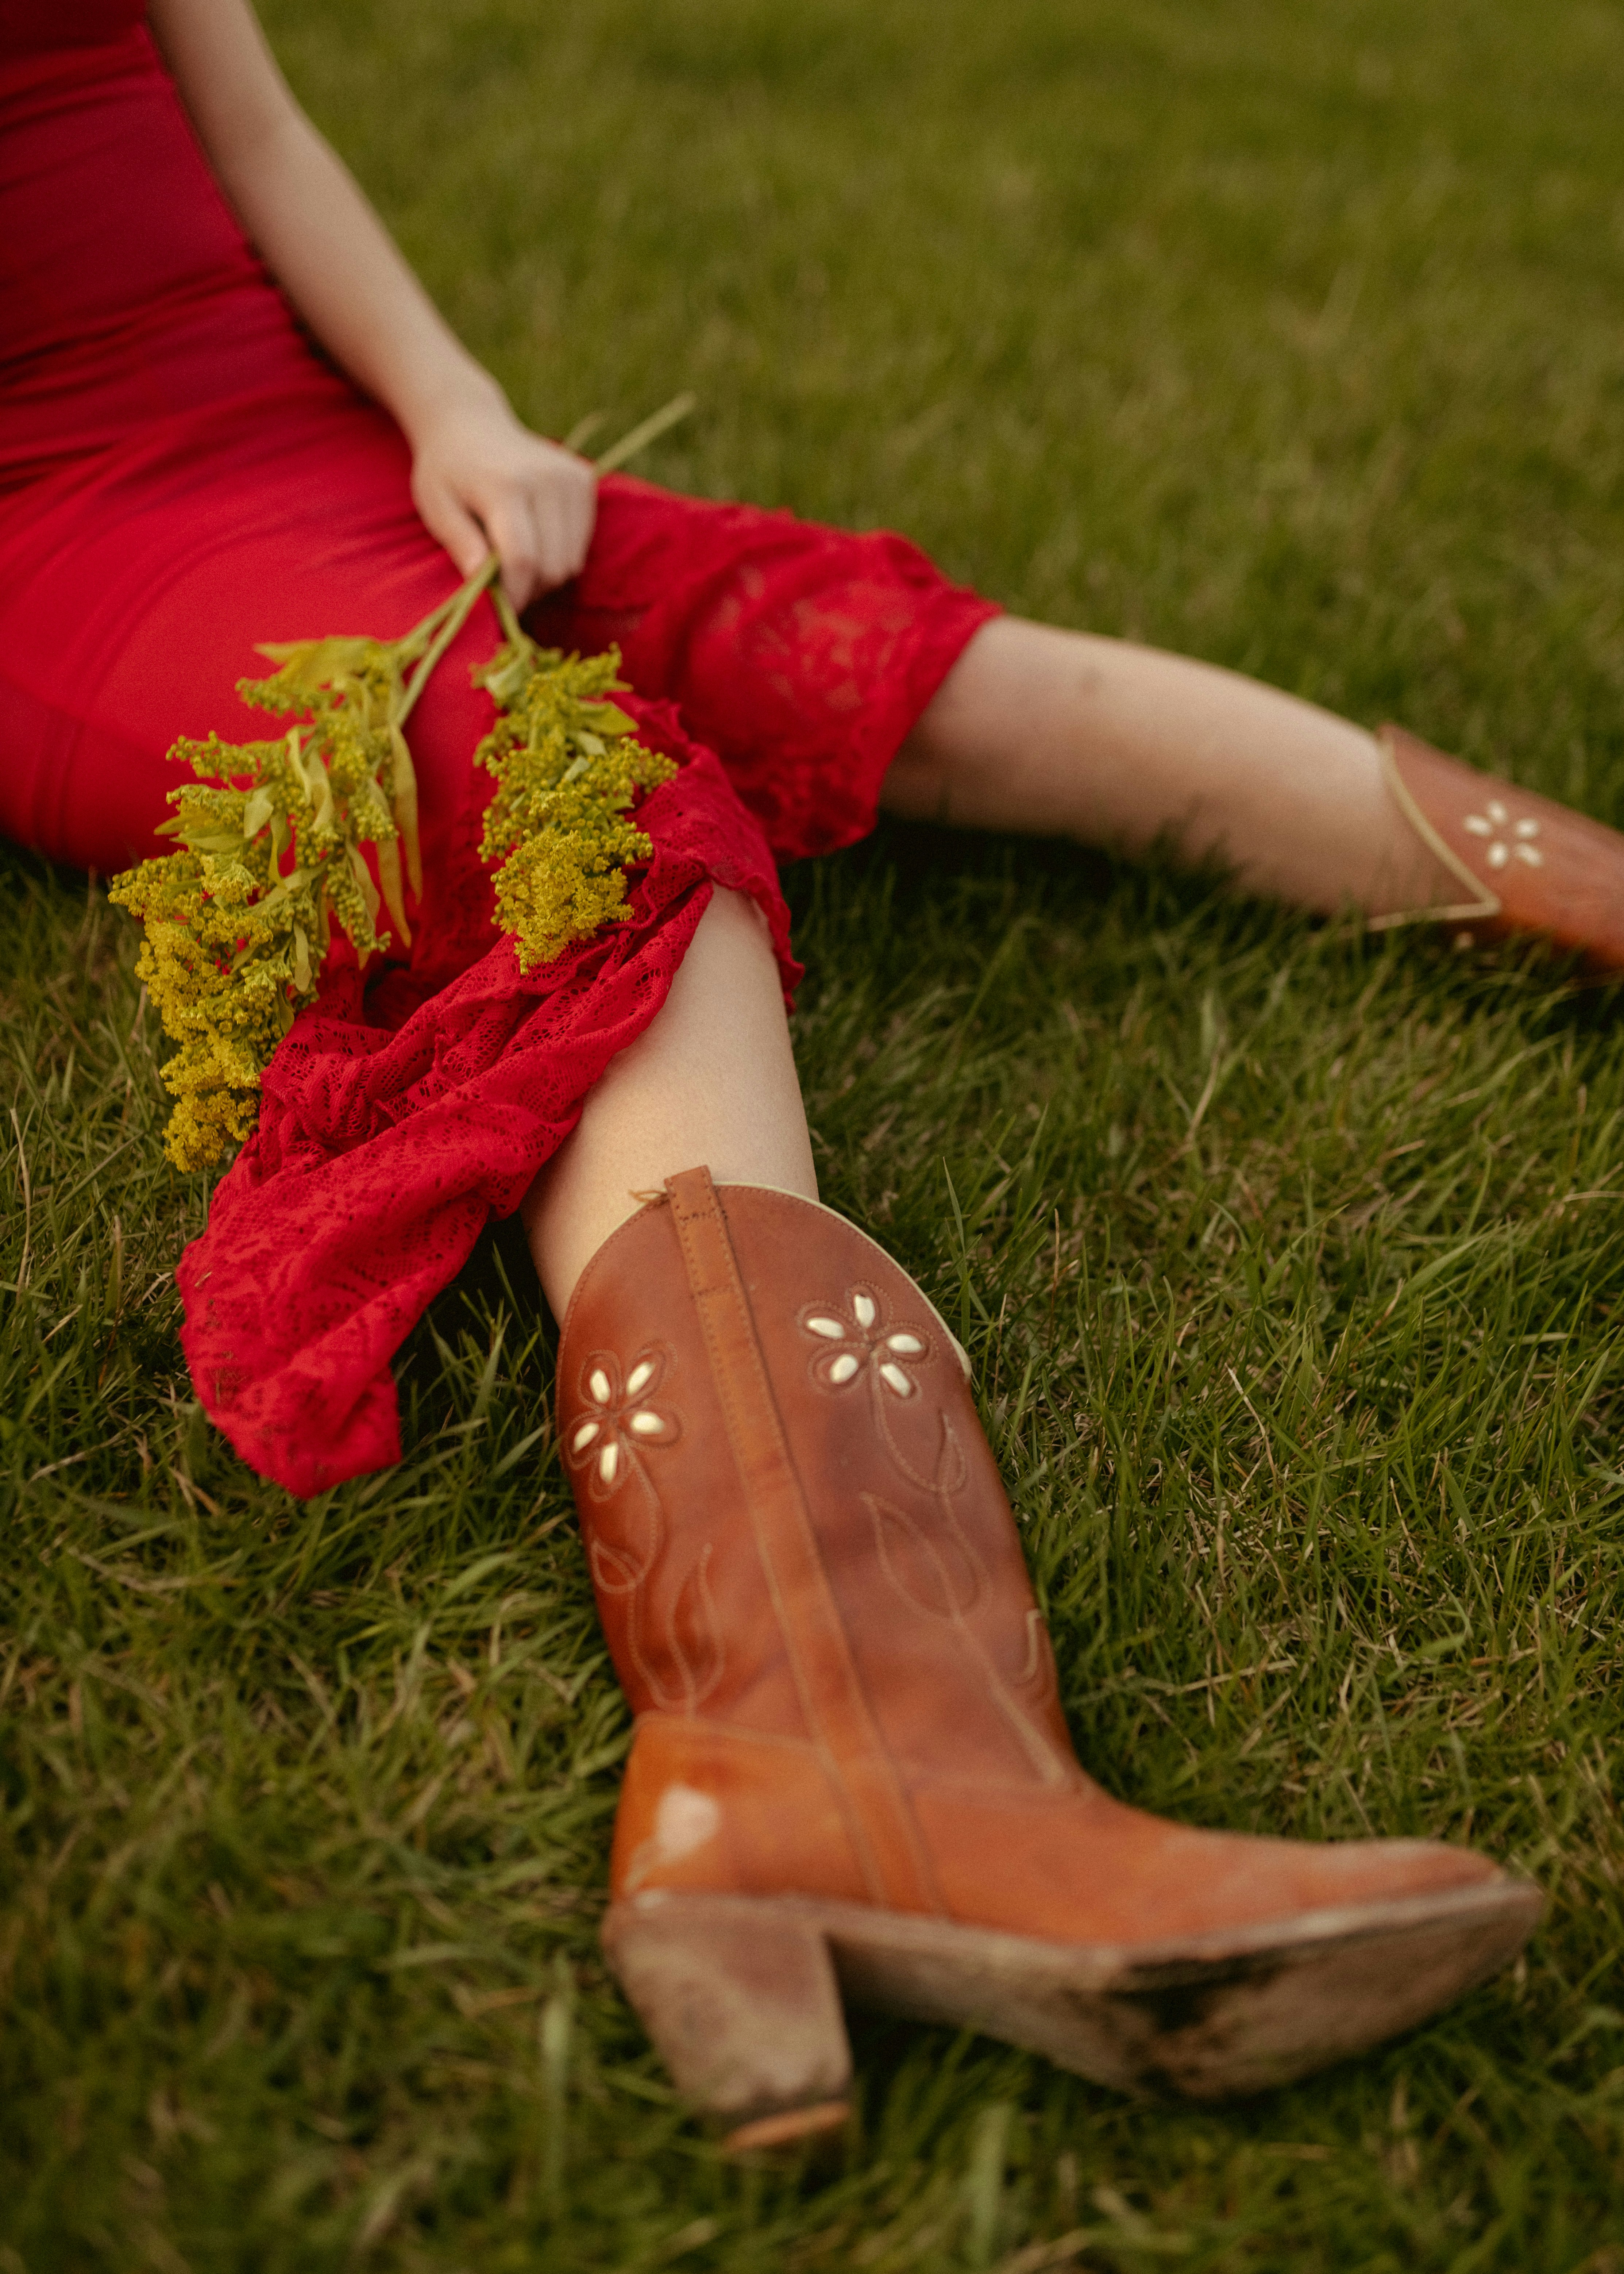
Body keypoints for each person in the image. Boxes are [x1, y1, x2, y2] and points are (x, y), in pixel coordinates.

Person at [2, 0, 1596, 2147]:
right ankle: (825, 1752)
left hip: (291, 419)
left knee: (819, 635)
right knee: (580, 813)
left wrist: (452, 405)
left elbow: (251, 123)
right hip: (61, 539)